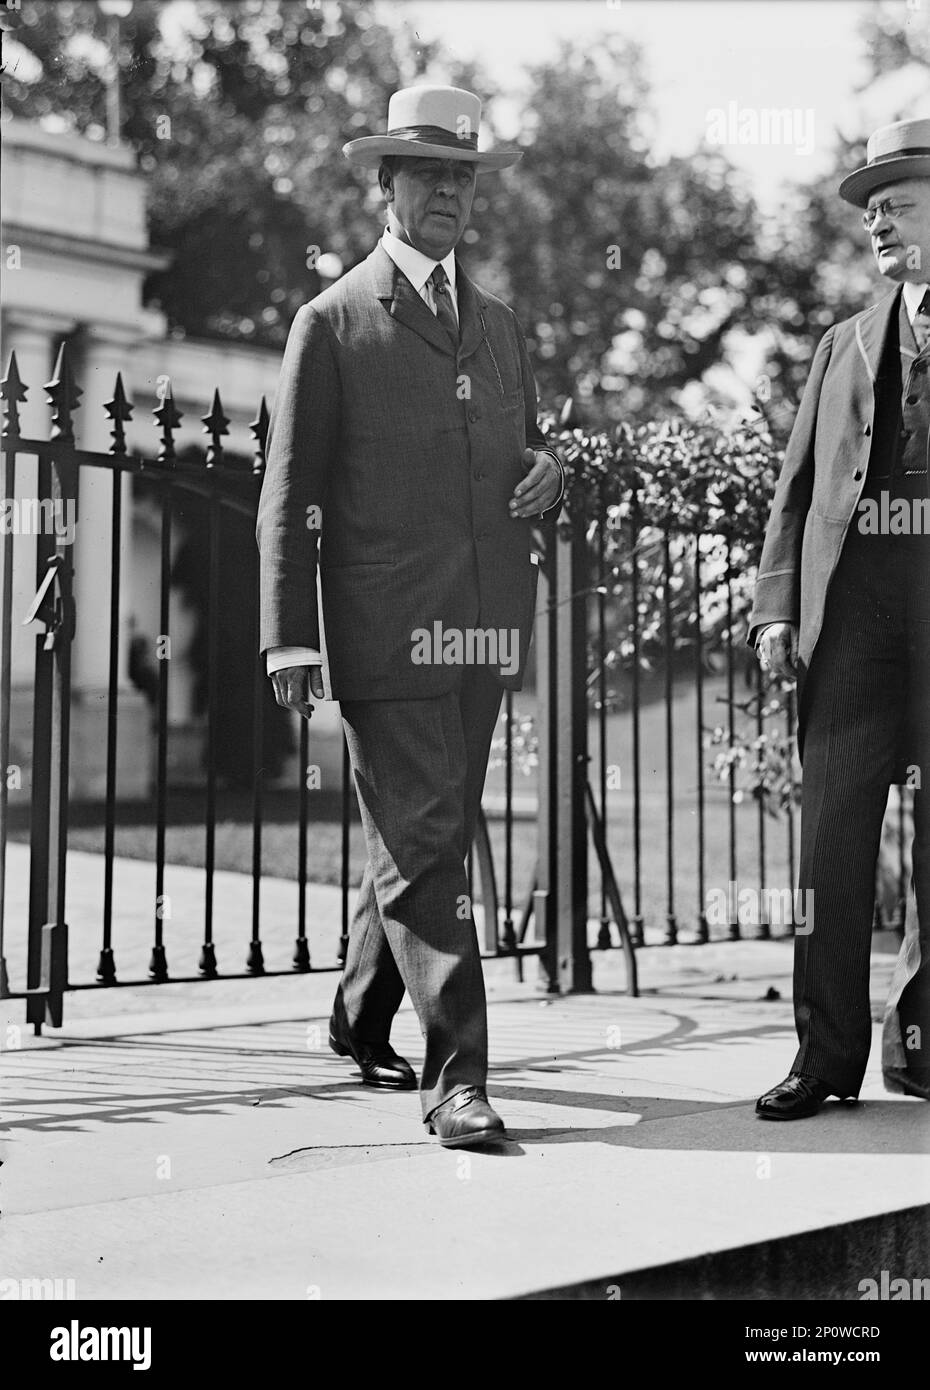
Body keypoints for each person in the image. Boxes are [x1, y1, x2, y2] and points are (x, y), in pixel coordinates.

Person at [256, 86, 563, 1148]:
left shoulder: (500, 328)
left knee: (420, 839)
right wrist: (289, 630)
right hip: (385, 636)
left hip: (484, 630)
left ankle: (356, 1013)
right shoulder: (331, 322)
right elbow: (288, 490)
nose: (447, 192)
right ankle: (458, 1078)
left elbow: (519, 456)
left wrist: (548, 477)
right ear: (382, 185)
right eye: (426, 172)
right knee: (432, 844)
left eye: (462, 177)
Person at [748, 118, 930, 1120]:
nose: (877, 220)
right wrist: (777, 606)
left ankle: (924, 1048)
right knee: (832, 844)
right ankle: (824, 1061)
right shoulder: (842, 346)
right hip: (854, 623)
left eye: (897, 200)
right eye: (871, 208)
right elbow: (794, 490)